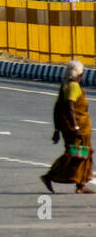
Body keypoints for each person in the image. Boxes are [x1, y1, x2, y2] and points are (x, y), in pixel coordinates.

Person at [42, 60, 92, 194]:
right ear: (80, 75)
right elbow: (70, 107)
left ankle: (81, 185)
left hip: (73, 127)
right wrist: (76, 128)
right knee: (73, 154)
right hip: (76, 128)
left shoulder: (65, 86)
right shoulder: (74, 87)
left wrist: (57, 130)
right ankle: (50, 176)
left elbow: (57, 109)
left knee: (83, 154)